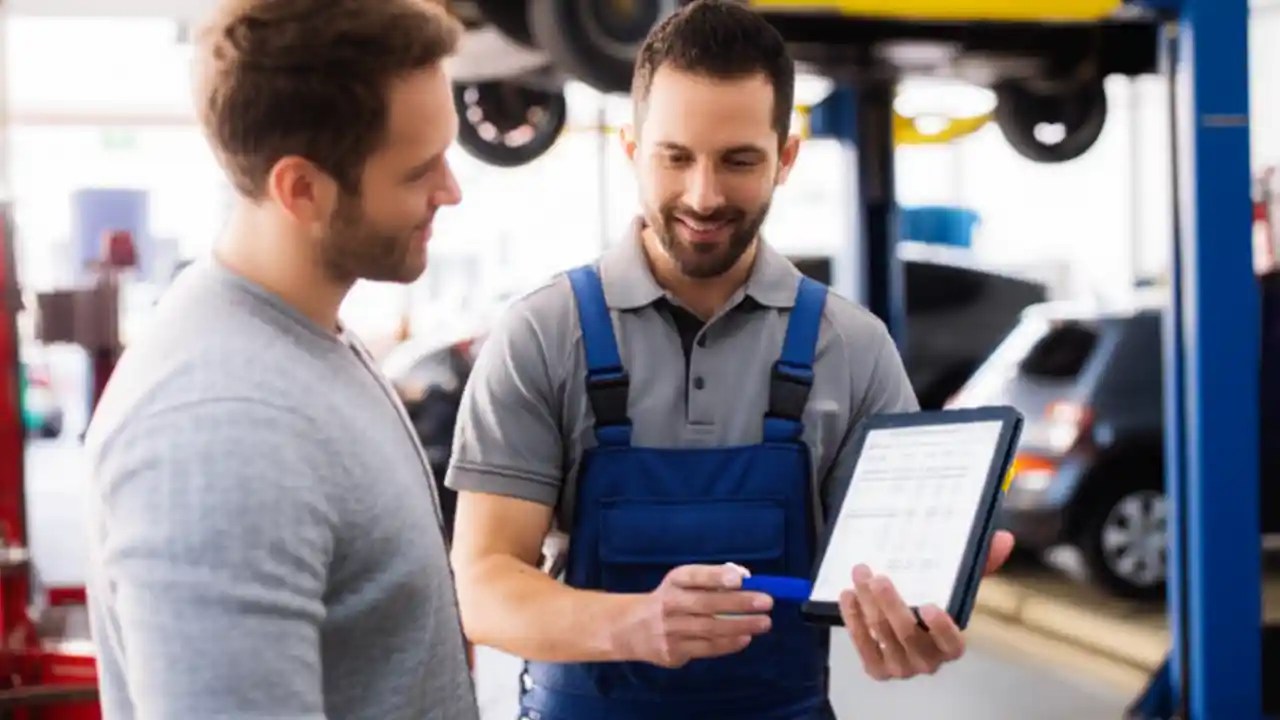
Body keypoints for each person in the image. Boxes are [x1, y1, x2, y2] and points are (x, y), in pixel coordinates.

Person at [446, 2, 1015, 718]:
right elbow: (483, 585)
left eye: (739, 160)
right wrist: (636, 624)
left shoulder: (853, 349)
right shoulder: (541, 335)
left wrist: (915, 619)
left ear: (785, 159)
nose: (704, 195)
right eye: (676, 157)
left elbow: (893, 575)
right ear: (632, 150)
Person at [82, 1, 477, 718]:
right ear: (302, 190)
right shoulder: (220, 434)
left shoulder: (303, 337)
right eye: (420, 171)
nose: (451, 191)